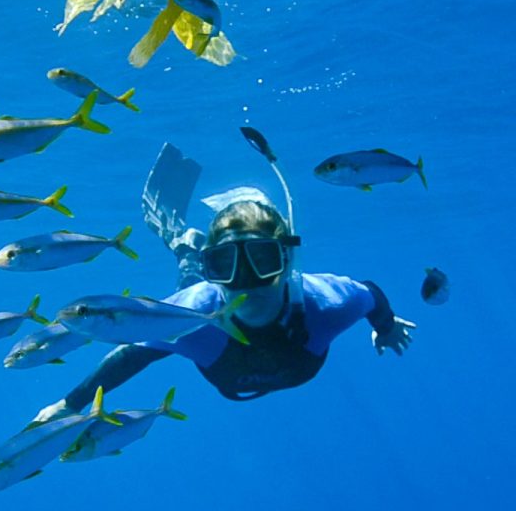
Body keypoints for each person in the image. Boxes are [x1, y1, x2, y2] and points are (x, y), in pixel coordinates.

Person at [33, 146, 416, 420]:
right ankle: (189, 252)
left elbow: (370, 294)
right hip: (204, 305)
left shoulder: (326, 304)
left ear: (286, 261)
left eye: (262, 260)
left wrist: (385, 325)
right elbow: (132, 354)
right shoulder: (193, 311)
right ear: (213, 268)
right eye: (225, 263)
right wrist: (70, 404)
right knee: (190, 286)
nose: (246, 281)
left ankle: (194, 252)